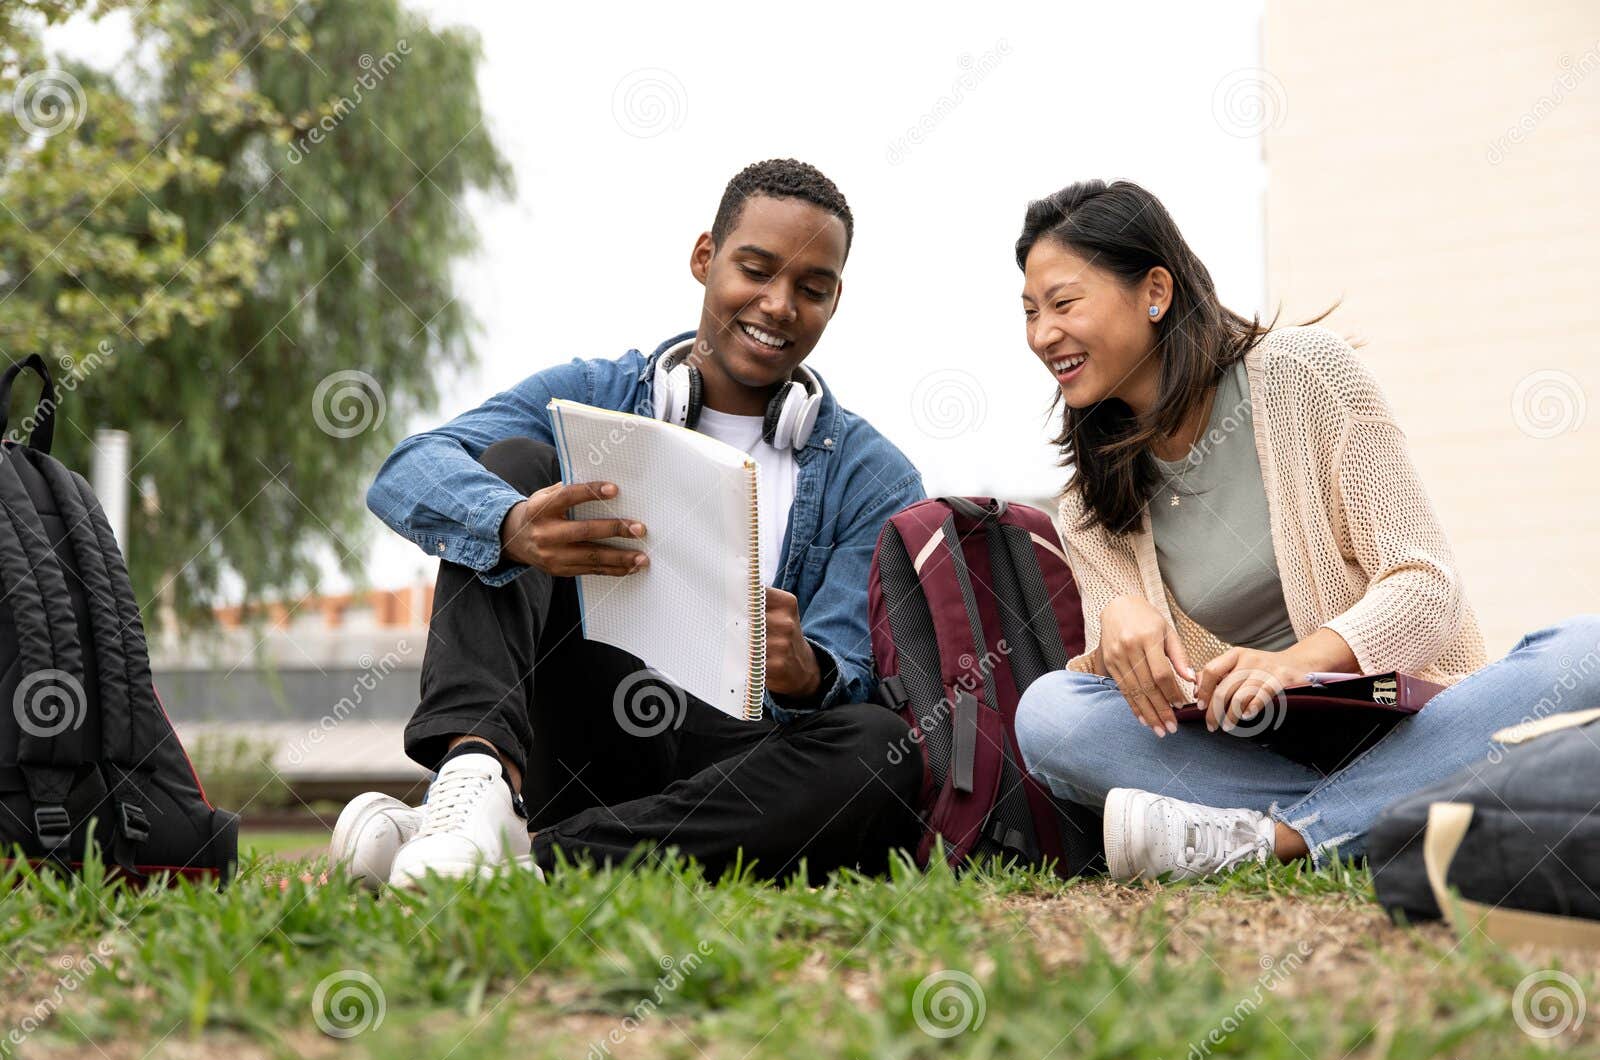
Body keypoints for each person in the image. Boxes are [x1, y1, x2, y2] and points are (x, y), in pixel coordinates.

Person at [336, 158, 925, 888]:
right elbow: (409, 468)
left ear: (836, 301)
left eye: (812, 289)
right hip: (582, 726)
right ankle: (474, 780)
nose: (779, 306)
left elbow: (856, 673)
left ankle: (524, 857)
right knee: (511, 463)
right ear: (704, 258)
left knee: (878, 745)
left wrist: (809, 675)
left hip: (737, 767)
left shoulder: (877, 478)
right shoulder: (591, 394)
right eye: (756, 270)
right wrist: (511, 524)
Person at [1010, 178, 1600, 882]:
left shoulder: (1302, 378)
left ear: (1155, 292)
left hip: (1408, 719)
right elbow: (1142, 698)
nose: (1043, 334)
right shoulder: (1088, 505)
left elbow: (1427, 588)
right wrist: (1118, 633)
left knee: (1588, 651)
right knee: (1049, 713)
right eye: (1029, 312)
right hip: (1251, 754)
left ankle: (1285, 837)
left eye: (1063, 304)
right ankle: (1396, 810)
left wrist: (1291, 665)